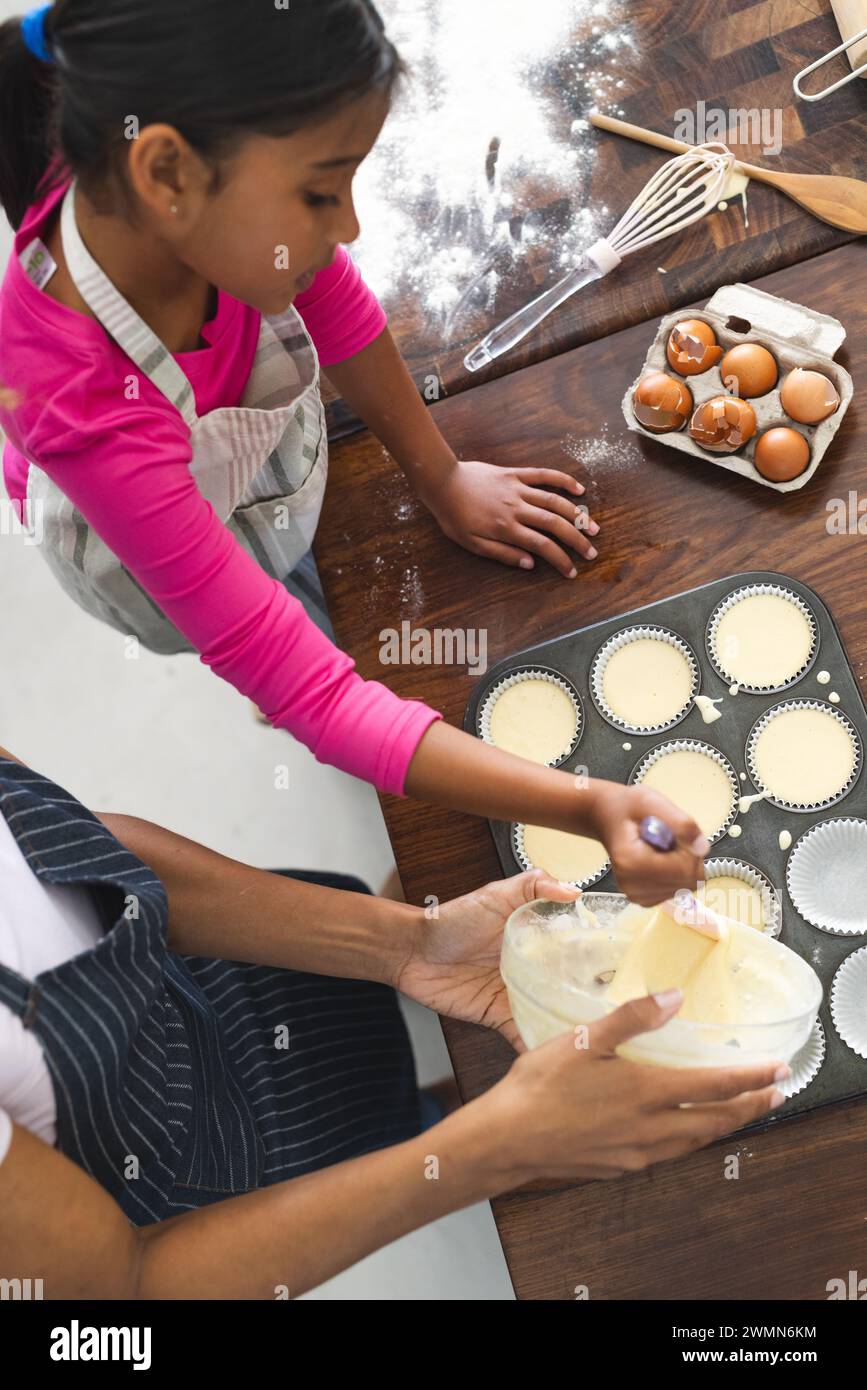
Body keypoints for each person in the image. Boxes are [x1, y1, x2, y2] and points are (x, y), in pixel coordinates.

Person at [0, 1, 709, 908]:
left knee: (294, 599)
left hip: (244, 449)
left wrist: (441, 476)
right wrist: (591, 803)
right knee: (280, 633)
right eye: (320, 191)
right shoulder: (81, 404)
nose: (349, 226)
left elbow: (339, 313)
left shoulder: (210, 215)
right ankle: (256, 640)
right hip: (136, 542)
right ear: (168, 171)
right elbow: (326, 705)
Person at [0, 745, 788, 1299]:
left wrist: (405, 946)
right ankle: (436, 1114)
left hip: (204, 968)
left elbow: (65, 843)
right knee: (384, 1132)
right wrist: (491, 1149)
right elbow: (126, 1289)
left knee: (350, 1029)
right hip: (194, 1175)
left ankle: (427, 1091)